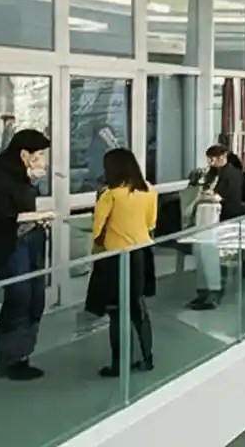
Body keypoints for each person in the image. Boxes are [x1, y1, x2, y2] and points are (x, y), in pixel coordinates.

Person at [0, 129, 53, 381]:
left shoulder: (23, 180)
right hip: (12, 246)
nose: (43, 161)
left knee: (35, 299)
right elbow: (2, 217)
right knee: (19, 298)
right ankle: (11, 360)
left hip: (31, 242)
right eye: (39, 154)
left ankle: (24, 354)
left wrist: (37, 223)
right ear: (23, 154)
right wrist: (34, 218)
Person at [84, 149, 157, 377]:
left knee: (117, 312)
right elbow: (150, 223)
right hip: (142, 253)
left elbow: (97, 229)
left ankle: (119, 364)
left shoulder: (110, 195)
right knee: (139, 308)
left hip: (115, 258)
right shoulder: (149, 191)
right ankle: (147, 357)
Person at [187, 145, 245, 310]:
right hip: (204, 220)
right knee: (202, 256)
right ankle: (203, 291)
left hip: (220, 220)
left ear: (224, 156)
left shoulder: (234, 175)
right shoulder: (210, 174)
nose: (212, 162)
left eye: (215, 158)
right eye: (210, 158)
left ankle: (214, 292)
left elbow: (233, 200)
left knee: (214, 258)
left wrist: (218, 199)